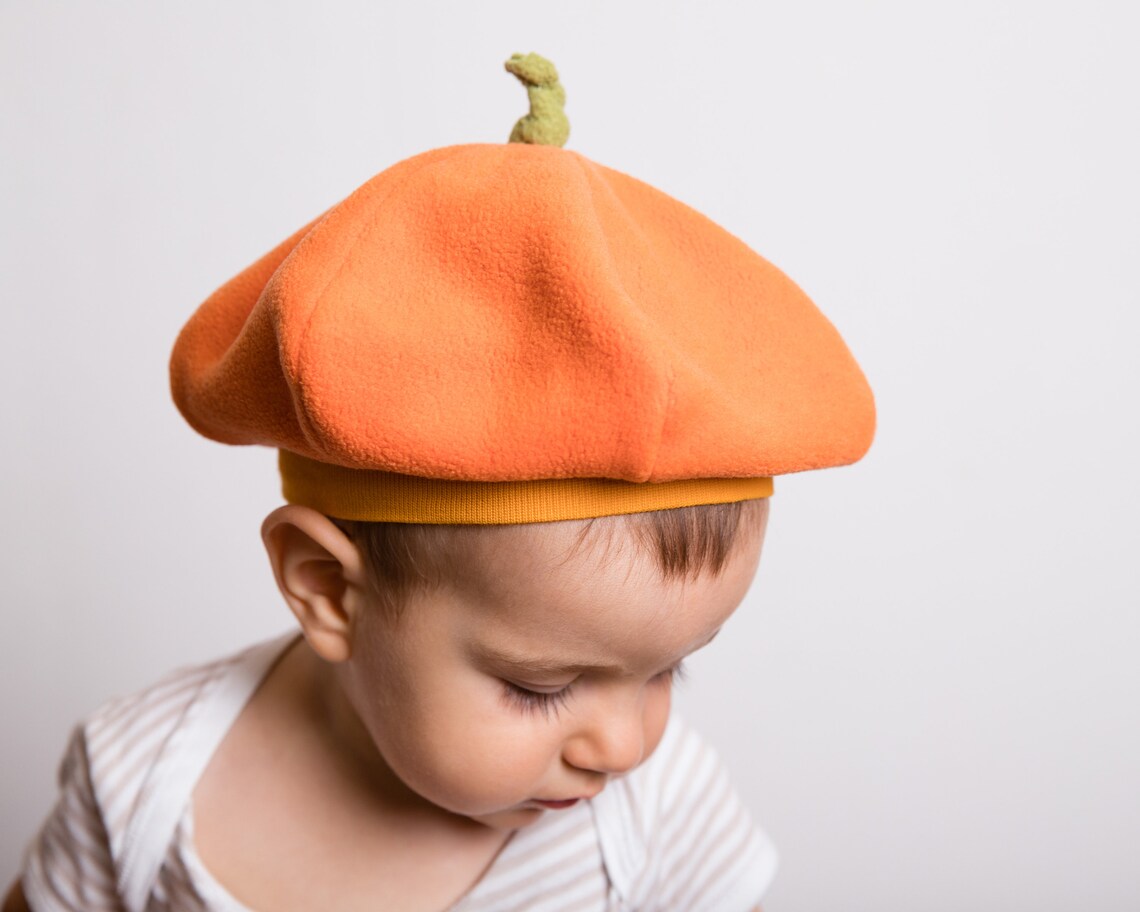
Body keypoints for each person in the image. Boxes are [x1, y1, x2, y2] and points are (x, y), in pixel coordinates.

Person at [4, 52, 875, 912]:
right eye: (541, 687)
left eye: (667, 672)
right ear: (328, 590)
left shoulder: (662, 818)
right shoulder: (141, 787)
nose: (623, 746)